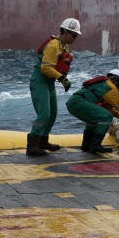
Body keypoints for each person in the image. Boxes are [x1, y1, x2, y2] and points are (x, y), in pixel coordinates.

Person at [27, 17, 80, 157]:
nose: (75, 38)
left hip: (49, 82)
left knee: (53, 114)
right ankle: (32, 145)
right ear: (66, 32)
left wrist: (61, 76)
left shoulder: (65, 46)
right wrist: (62, 78)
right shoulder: (53, 46)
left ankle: (43, 141)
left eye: (76, 35)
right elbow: (45, 68)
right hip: (40, 82)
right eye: (74, 35)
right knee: (44, 114)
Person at [66, 69, 119, 153]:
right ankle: (95, 145)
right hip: (80, 102)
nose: (118, 89)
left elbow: (110, 109)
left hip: (73, 102)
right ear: (117, 81)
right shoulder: (110, 87)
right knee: (107, 117)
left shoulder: (102, 85)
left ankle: (86, 146)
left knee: (94, 120)